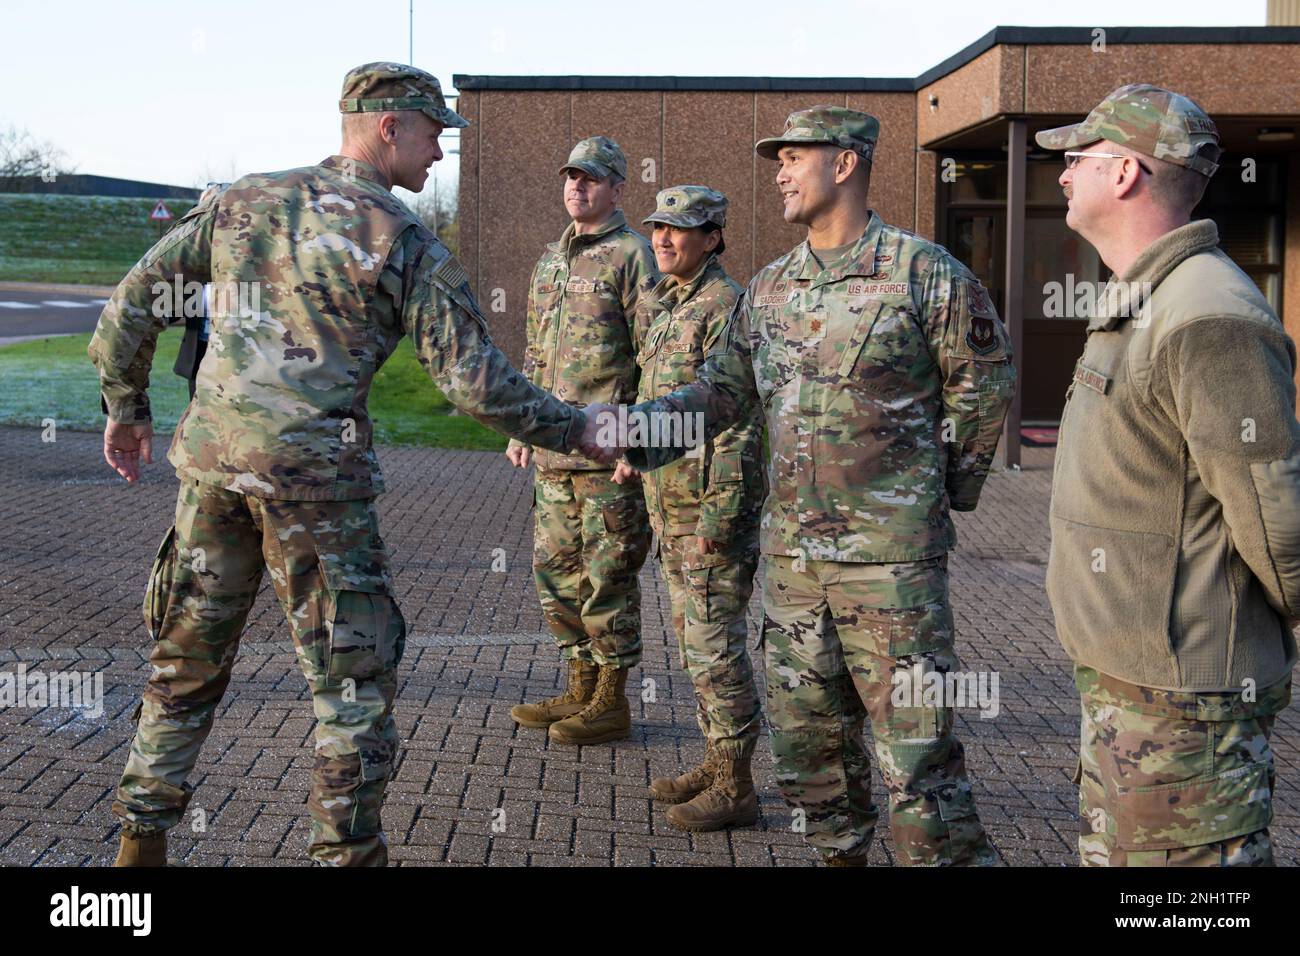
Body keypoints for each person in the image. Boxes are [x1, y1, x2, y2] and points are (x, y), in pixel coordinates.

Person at [91, 62, 591, 867]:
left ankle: (140, 840)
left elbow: (133, 304)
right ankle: (345, 854)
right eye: (434, 134)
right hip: (317, 490)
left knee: (183, 661)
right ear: (388, 125)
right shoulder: (403, 239)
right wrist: (584, 431)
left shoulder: (240, 202)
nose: (440, 155)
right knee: (351, 686)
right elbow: (481, 387)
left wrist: (126, 411)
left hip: (214, 473)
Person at [578, 107, 1015, 865]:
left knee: (918, 763)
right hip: (794, 569)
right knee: (810, 758)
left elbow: (982, 385)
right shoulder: (772, 290)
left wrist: (939, 493)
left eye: (794, 157)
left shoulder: (921, 272)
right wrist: (631, 431)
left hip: (891, 572)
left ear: (844, 164)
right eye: (776, 158)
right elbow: (718, 394)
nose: (779, 171)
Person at [1036, 84, 1298, 867]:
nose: (1061, 176)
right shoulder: (1148, 297)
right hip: (1139, 693)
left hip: (1186, 708)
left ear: (1124, 173)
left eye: (1076, 160)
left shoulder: (1205, 314)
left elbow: (1275, 516)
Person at [620, 185, 766, 830]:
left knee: (714, 646)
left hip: (707, 513)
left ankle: (736, 786)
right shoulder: (668, 301)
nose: (662, 239)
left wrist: (720, 519)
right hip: (670, 504)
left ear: (712, 238)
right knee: (692, 643)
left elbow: (740, 422)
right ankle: (716, 759)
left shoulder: (725, 308)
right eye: (657, 227)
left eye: (678, 230)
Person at [505, 137, 659, 747]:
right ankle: (578, 686)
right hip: (552, 452)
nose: (577, 188)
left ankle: (611, 701)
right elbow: (535, 351)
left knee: (608, 575)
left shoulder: (634, 256)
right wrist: (522, 426)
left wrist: (637, 444)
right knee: (556, 573)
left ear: (618, 188)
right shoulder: (552, 259)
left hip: (605, 455)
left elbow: (655, 357)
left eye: (591, 180)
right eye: (571, 177)